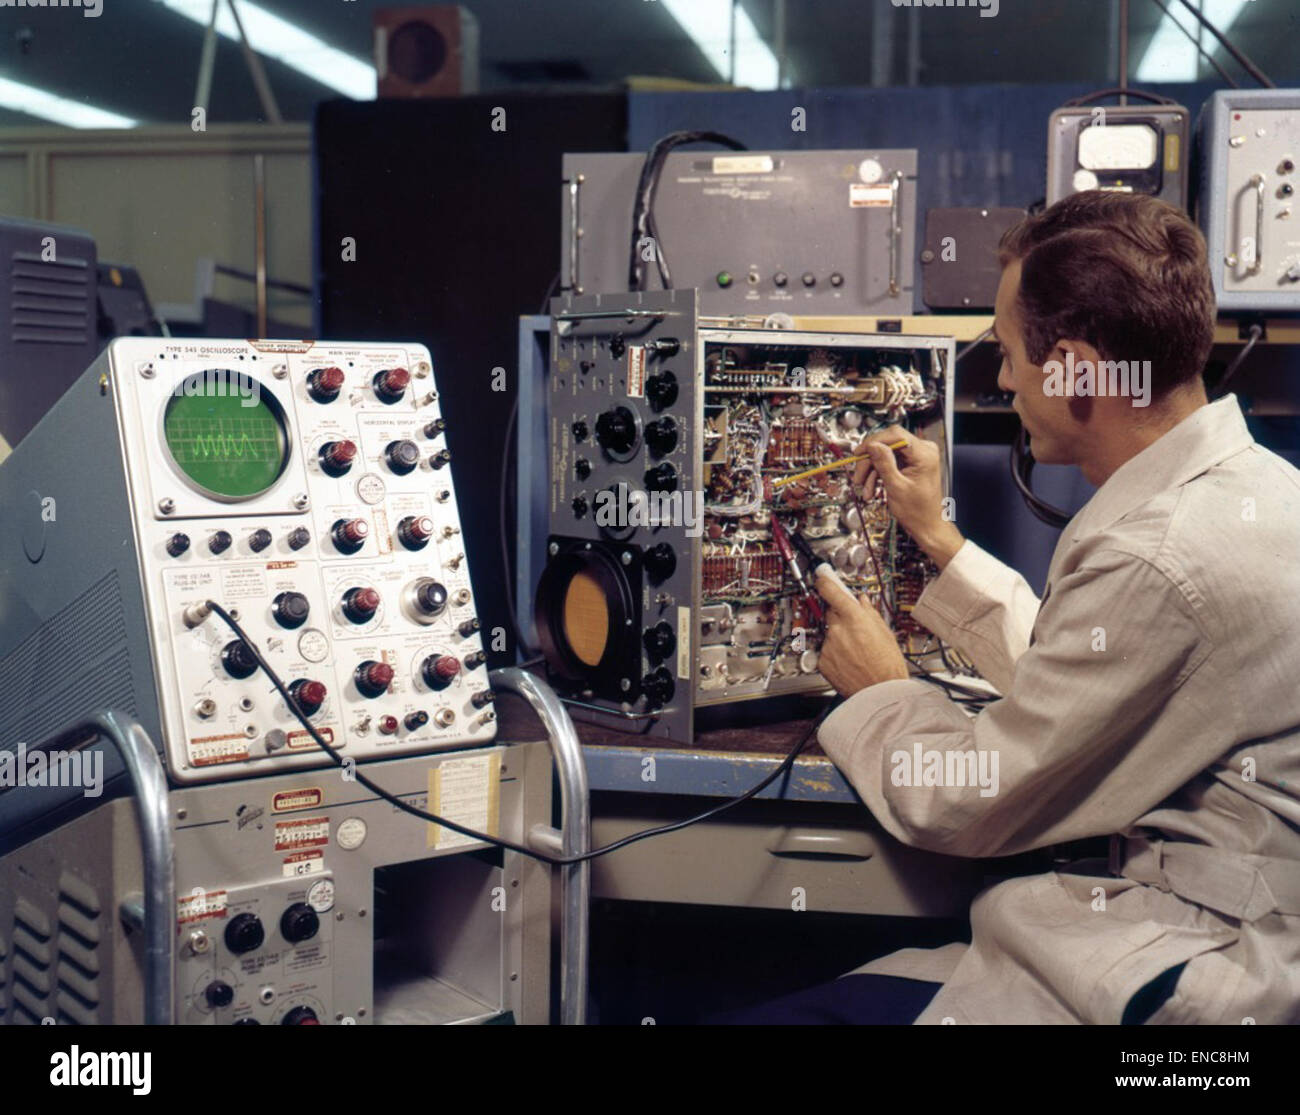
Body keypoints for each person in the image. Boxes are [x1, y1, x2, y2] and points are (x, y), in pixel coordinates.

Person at [724, 191, 1300, 1024]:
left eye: (1006, 352)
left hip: (1194, 986)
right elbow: (1094, 679)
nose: (1001, 379)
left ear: (1071, 367)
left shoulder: (1156, 553)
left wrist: (883, 690)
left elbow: (972, 797)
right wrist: (938, 540)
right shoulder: (1256, 490)